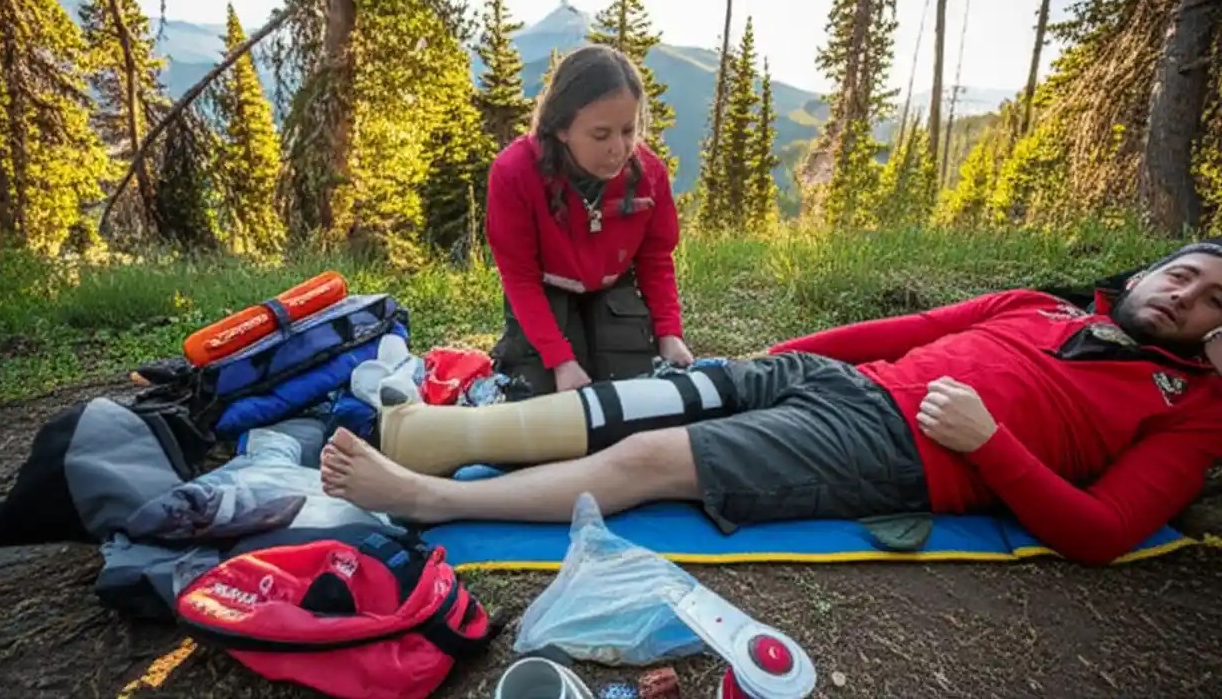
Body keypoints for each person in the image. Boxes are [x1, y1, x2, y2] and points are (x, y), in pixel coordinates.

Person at [320, 241, 1222, 566]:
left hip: (902, 449)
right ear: (1149, 269)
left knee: (657, 459)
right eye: (1184, 273)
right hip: (843, 385)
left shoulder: (1192, 405)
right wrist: (767, 359)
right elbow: (897, 328)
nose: (1186, 294)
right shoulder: (1042, 306)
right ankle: (440, 435)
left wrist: (990, 447)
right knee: (672, 390)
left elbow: (1104, 532)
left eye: (1214, 299)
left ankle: (431, 495)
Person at [483, 44, 692, 397]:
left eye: (628, 131)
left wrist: (669, 333)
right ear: (561, 128)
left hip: (613, 286)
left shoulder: (649, 174)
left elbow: (655, 259)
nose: (619, 149)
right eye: (601, 135)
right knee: (543, 391)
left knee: (635, 388)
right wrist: (559, 360)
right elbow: (519, 277)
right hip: (545, 288)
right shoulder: (513, 173)